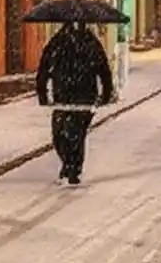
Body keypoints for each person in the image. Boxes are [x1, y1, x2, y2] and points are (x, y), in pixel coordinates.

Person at [37, 22, 114, 185]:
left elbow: (103, 69)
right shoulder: (58, 42)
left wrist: (106, 93)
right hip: (64, 95)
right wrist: (42, 93)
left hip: (83, 96)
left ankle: (73, 168)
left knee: (76, 134)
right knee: (60, 134)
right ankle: (69, 163)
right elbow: (44, 68)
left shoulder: (89, 42)